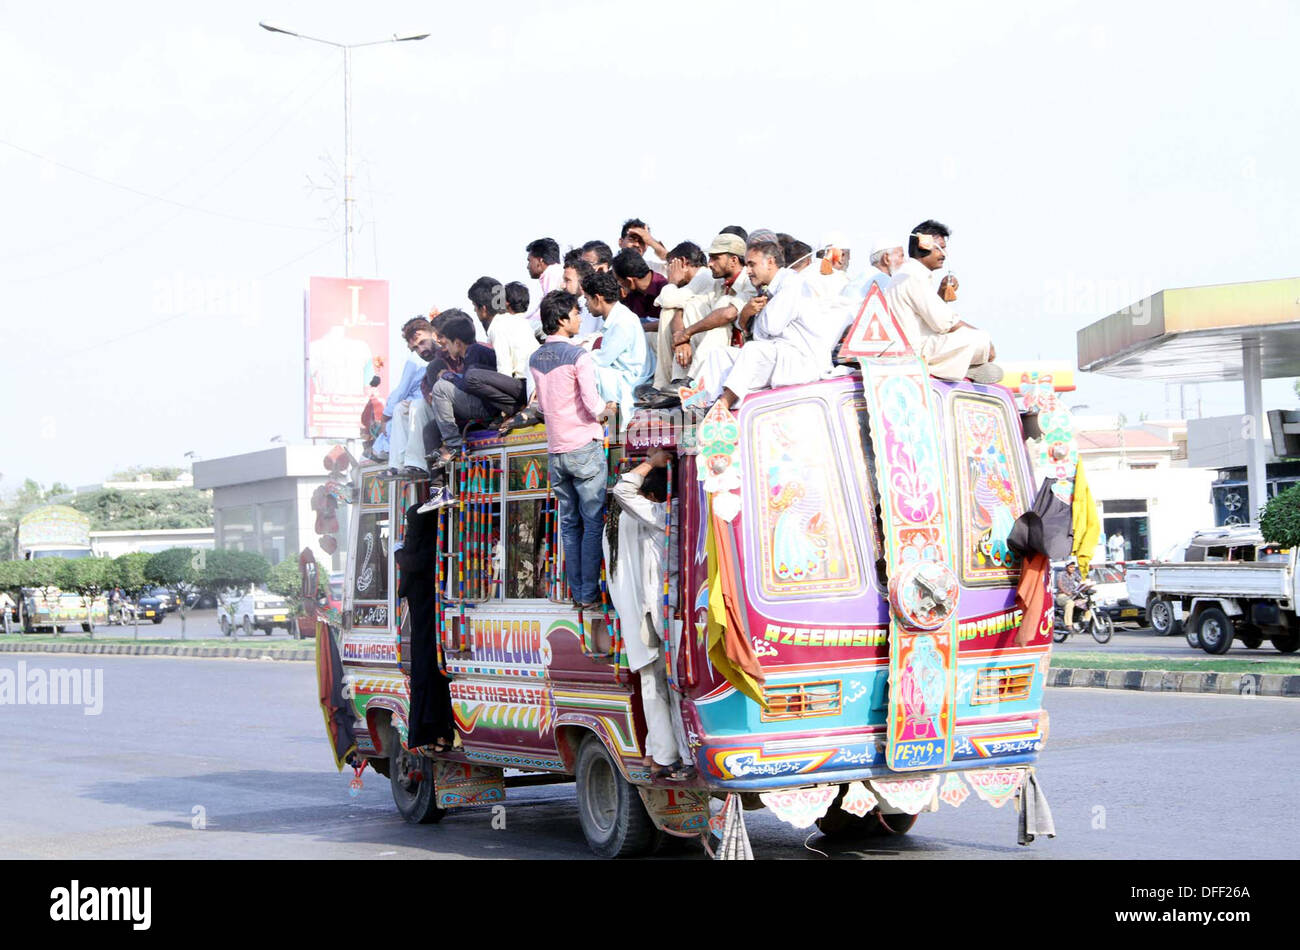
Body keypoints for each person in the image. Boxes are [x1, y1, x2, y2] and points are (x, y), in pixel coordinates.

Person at [602, 448, 692, 779]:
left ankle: (665, 755)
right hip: (659, 611)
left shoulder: (660, 515)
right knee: (666, 685)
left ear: (653, 495)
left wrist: (650, 462)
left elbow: (622, 491)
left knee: (660, 684)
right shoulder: (672, 514)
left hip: (655, 612)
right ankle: (662, 754)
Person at [528, 290, 611, 610]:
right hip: (584, 447)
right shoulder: (579, 356)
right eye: (575, 314)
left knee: (569, 524)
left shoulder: (536, 359)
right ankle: (588, 594)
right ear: (562, 320)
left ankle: (577, 593)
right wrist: (609, 409)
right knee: (592, 523)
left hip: (556, 451)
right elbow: (593, 406)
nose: (579, 318)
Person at [698, 241, 830, 407]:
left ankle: (723, 405)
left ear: (770, 262)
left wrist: (756, 314)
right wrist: (746, 313)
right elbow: (754, 332)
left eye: (752, 265)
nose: (748, 271)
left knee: (753, 350)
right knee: (718, 354)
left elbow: (769, 328)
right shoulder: (767, 288)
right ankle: (705, 404)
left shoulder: (791, 284)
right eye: (746, 265)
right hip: (778, 356)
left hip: (801, 360)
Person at [885, 219, 1002, 383]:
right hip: (916, 352)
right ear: (923, 247)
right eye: (940, 249)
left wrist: (940, 293)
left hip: (914, 346)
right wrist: (986, 343)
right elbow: (945, 323)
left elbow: (929, 317)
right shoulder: (913, 276)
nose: (944, 254)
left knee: (974, 338)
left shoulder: (909, 273)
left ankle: (959, 367)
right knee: (979, 338)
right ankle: (956, 369)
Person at [396, 501, 455, 752]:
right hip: (435, 626)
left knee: (428, 676)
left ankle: (435, 734)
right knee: (432, 676)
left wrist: (398, 552)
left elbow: (413, 565)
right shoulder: (438, 542)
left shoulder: (423, 547)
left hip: (428, 628)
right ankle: (438, 735)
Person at [668, 232, 757, 385]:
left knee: (720, 326)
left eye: (715, 258)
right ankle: (678, 381)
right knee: (691, 307)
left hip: (743, 350)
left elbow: (728, 314)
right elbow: (683, 309)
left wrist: (687, 333)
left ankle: (692, 382)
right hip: (718, 353)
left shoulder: (749, 282)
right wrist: (681, 338)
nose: (709, 264)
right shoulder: (717, 283)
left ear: (733, 260)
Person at [582, 269, 654, 428]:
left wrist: (579, 354)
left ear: (597, 298)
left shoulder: (622, 321)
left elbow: (602, 359)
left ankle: (607, 408)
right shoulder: (616, 318)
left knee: (588, 366)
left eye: (587, 299)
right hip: (623, 375)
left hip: (632, 379)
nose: (586, 305)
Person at [464, 276, 538, 420]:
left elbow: (504, 369)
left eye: (475, 307)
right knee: (475, 360)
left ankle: (513, 408)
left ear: (483, 309)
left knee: (471, 377)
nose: (475, 311)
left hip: (525, 384)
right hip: (529, 381)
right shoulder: (512, 318)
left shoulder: (497, 326)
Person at [368, 317, 435, 461]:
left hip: (425, 410)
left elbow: (400, 392)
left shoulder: (419, 361)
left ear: (434, 334)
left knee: (400, 413)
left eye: (422, 342)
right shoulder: (419, 359)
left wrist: (384, 420)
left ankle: (407, 464)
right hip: (419, 410)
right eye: (416, 348)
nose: (421, 350)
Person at [611, 248, 668, 332]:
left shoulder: (666, 290)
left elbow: (669, 323)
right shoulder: (630, 293)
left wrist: (638, 328)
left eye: (618, 280)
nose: (619, 284)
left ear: (629, 281)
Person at [523, 237, 564, 329]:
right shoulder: (556, 272)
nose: (528, 266)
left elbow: (549, 311)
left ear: (540, 261)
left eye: (529, 261)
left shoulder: (551, 274)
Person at [561, 257, 603, 337]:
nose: (563, 286)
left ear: (582, 283)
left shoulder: (594, 308)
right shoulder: (569, 305)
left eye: (567, 280)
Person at [1056, 558, 1091, 629]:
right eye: (1070, 567)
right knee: (1070, 603)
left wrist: (1088, 586)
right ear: (1066, 567)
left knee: (1087, 603)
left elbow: (1081, 582)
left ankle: (1085, 621)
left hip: (1073, 596)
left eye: (1073, 567)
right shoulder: (1061, 574)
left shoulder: (1074, 574)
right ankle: (1069, 624)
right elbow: (1060, 585)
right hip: (1062, 596)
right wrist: (1067, 592)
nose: (1072, 569)